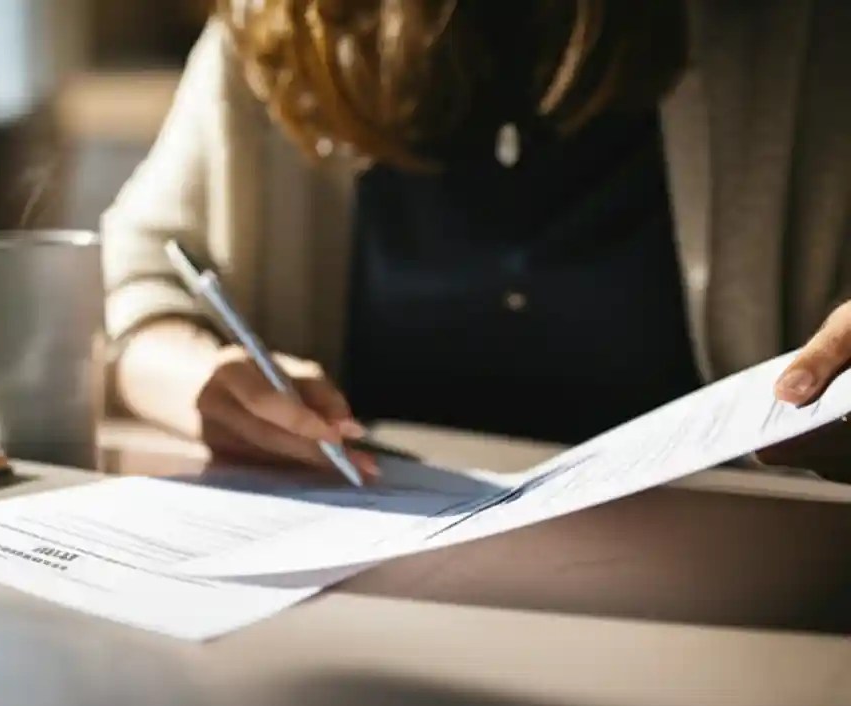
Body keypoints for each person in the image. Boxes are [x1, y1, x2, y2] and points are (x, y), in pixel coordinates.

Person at [102, 0, 851, 480]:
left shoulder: (800, 37)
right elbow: (134, 276)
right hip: (364, 586)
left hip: (732, 589)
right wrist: (189, 377)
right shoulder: (284, 26)